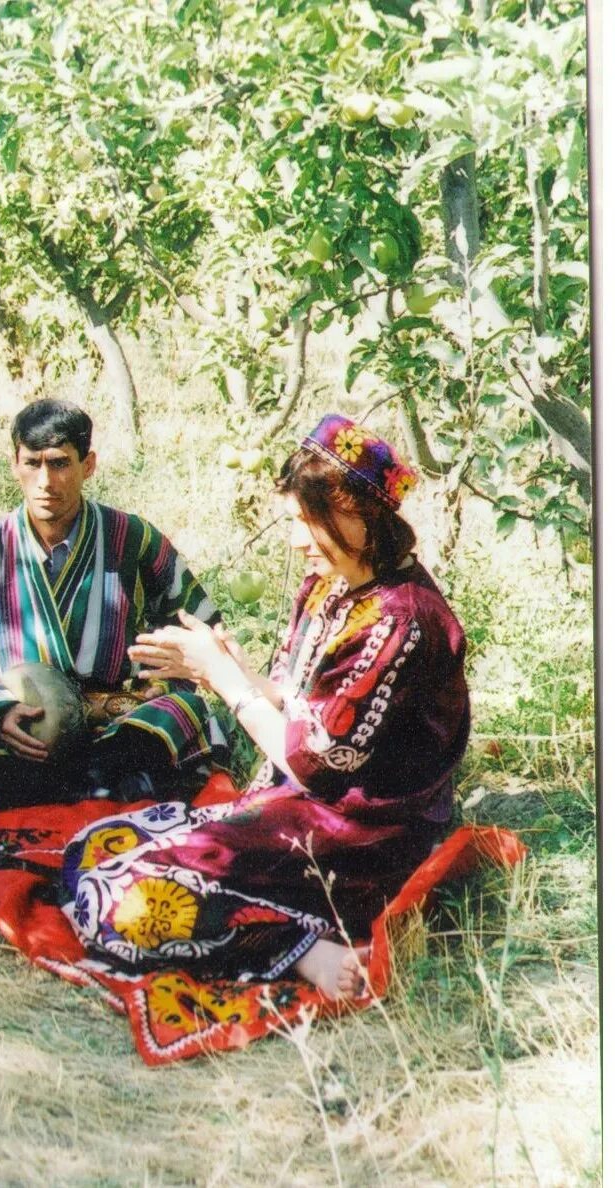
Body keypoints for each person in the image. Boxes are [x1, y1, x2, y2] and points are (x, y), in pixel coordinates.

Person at [63, 415, 468, 1000]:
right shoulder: (332, 582)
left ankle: (298, 947)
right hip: (296, 807)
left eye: (307, 522)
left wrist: (225, 678)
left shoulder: (401, 621)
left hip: (359, 836)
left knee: (121, 906)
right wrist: (213, 666)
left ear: (358, 515)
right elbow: (296, 697)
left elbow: (311, 762)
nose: (297, 541)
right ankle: (285, 929)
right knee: (94, 848)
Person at [0, 398, 227, 803]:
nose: (45, 481)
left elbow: (196, 627)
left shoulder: (133, 540)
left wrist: (162, 683)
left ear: (88, 465)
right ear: (14, 465)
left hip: (112, 725)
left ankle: (64, 783)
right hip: (17, 731)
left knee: (184, 710)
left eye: (60, 463)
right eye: (32, 463)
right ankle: (95, 787)